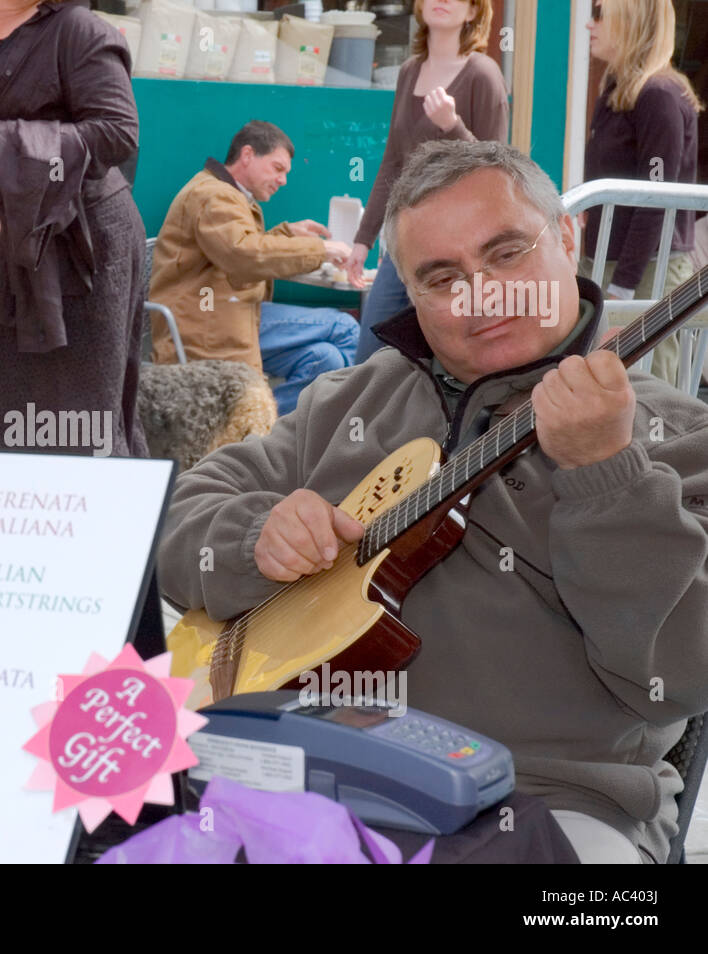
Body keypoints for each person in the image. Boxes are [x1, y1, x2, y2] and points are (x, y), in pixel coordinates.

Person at [157, 140, 708, 864]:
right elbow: (183, 513)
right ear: (408, 295)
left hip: (538, 804)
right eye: (442, 277)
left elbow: (684, 667)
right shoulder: (351, 399)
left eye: (507, 253)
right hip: (289, 769)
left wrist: (605, 473)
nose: (480, 296)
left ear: (567, 238)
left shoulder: (678, 435)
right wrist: (254, 535)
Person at [0, 0, 147, 456]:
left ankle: (97, 523)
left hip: (77, 255)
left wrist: (7, 145)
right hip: (8, 254)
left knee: (74, 425)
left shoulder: (79, 29)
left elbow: (118, 133)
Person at [148, 120, 356, 415]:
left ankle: (262, 432)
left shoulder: (222, 192)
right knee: (346, 327)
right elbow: (243, 256)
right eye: (277, 168)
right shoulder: (214, 195)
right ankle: (260, 432)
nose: (283, 180)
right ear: (248, 155)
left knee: (326, 359)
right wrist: (321, 249)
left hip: (228, 315)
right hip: (207, 326)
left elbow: (235, 250)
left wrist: (288, 235)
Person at [346, 0, 508, 362]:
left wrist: (452, 126)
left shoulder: (483, 74)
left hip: (459, 252)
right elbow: (392, 161)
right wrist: (362, 240)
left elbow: (497, 172)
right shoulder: (409, 71)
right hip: (404, 244)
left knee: (444, 362)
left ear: (472, 12)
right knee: (370, 356)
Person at [582, 0, 701, 385]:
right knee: (608, 390)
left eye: (601, 14)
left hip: (646, 270)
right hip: (611, 263)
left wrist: (621, 289)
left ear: (630, 22)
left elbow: (656, 198)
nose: (589, 24)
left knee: (655, 397)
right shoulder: (616, 88)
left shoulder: (659, 94)